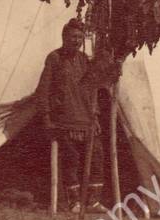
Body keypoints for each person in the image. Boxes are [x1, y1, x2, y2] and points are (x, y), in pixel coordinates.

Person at [35, 18, 119, 209]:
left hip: (87, 119)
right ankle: (74, 202)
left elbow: (92, 89)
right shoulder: (55, 58)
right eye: (73, 37)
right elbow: (44, 89)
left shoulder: (84, 60)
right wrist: (47, 118)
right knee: (71, 161)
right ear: (64, 37)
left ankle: (93, 201)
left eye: (80, 37)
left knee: (96, 159)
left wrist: (95, 115)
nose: (76, 41)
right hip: (65, 120)